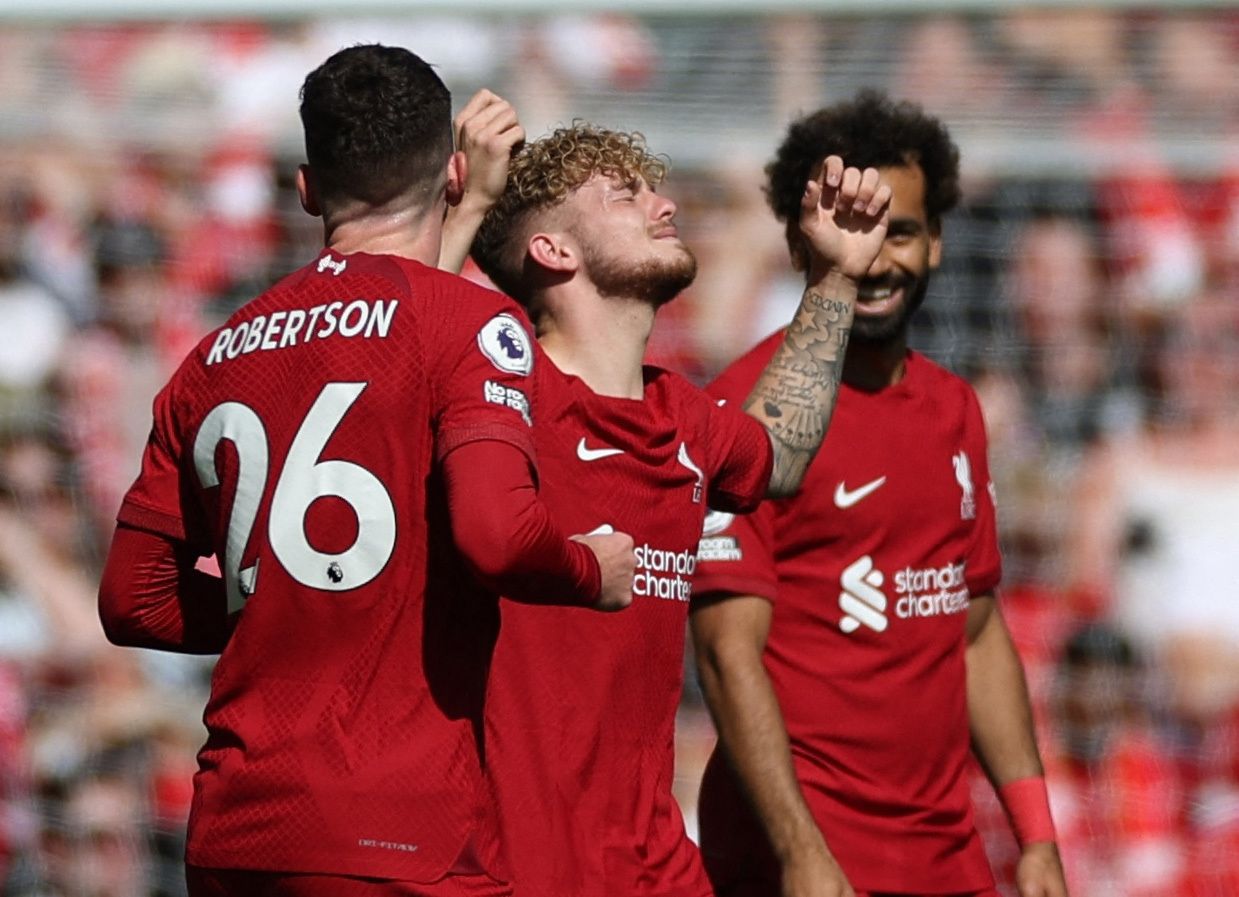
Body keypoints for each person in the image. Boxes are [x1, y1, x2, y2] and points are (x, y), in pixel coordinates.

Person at [95, 45, 636, 897]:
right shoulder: (469, 324)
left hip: (235, 829)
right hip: (400, 832)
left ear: (307, 189)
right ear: (454, 174)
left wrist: (279, 596)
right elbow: (496, 538)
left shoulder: (210, 358)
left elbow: (134, 600)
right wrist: (586, 568)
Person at [461, 122, 891, 897]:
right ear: (553, 251)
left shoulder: (680, 414)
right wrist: (469, 203)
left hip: (655, 864)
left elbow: (778, 455)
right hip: (511, 868)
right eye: (621, 194)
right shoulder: (498, 403)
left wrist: (832, 280)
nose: (661, 204)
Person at [689, 90, 1070, 897]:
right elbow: (726, 652)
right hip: (806, 863)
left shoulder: (953, 408)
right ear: (804, 242)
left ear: (934, 243)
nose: (874, 260)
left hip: (946, 859)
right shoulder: (742, 415)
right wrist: (797, 851)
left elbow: (971, 626)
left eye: (898, 231)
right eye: (851, 234)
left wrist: (1034, 835)